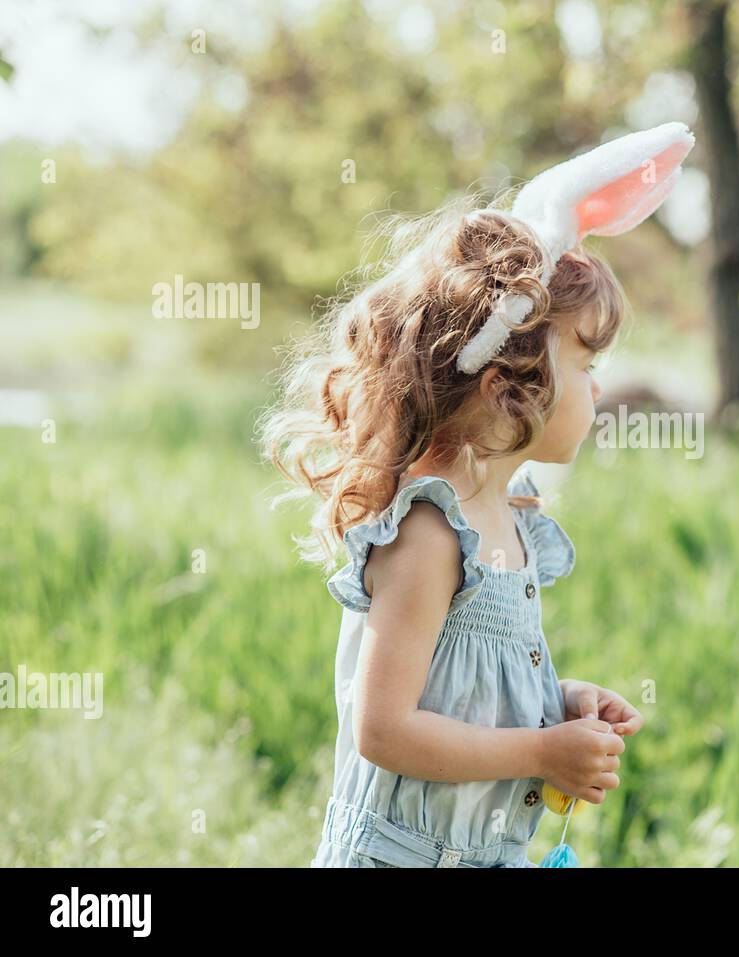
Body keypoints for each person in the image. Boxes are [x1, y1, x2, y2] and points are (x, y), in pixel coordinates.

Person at [257, 122, 694, 867]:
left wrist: (560, 703)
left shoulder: (509, 511)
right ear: (509, 384)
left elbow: (461, 683)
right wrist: (540, 749)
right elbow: (385, 728)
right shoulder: (430, 529)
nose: (599, 390)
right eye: (586, 365)